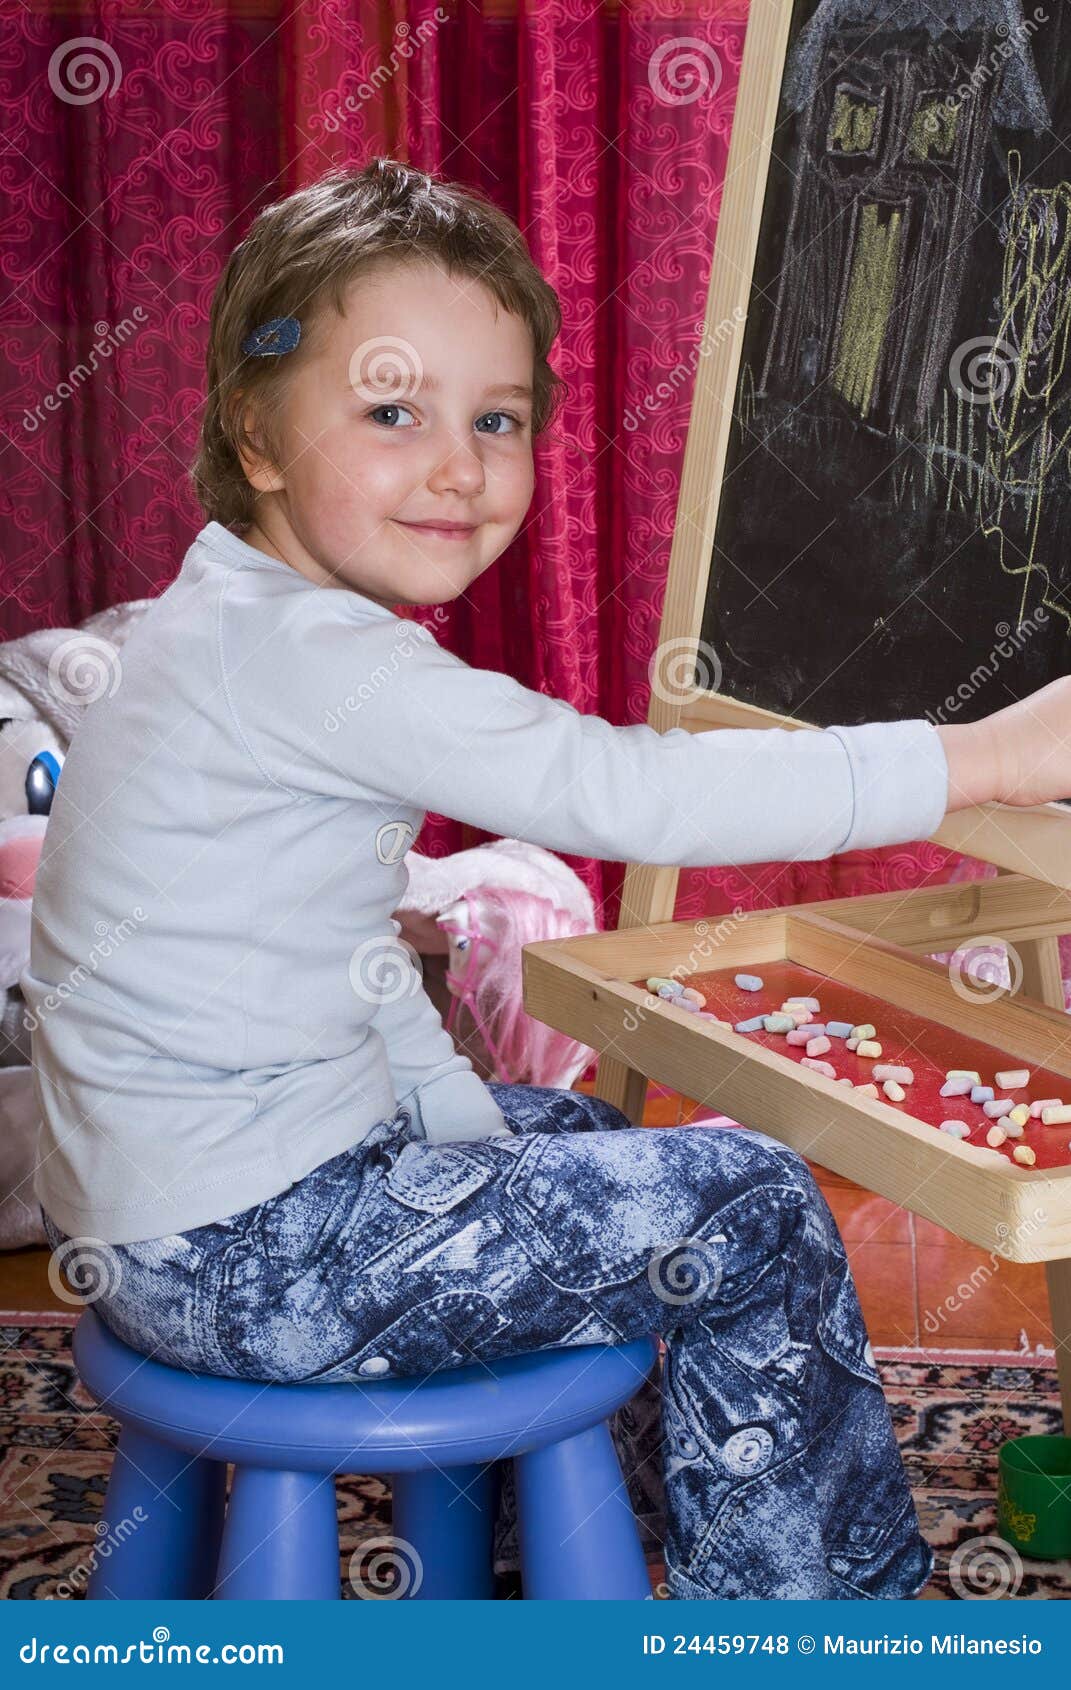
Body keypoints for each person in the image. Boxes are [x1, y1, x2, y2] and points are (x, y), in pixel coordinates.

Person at [24, 157, 1071, 1600]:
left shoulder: (224, 610)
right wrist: (980, 761)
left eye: (496, 418)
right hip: (251, 1248)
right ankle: (819, 1624)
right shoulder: (324, 662)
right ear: (256, 431)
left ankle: (559, 1557)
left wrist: (475, 1136)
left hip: (177, 1218)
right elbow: (626, 789)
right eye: (394, 411)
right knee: (747, 1200)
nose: (459, 464)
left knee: (572, 1136)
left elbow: (346, 953)